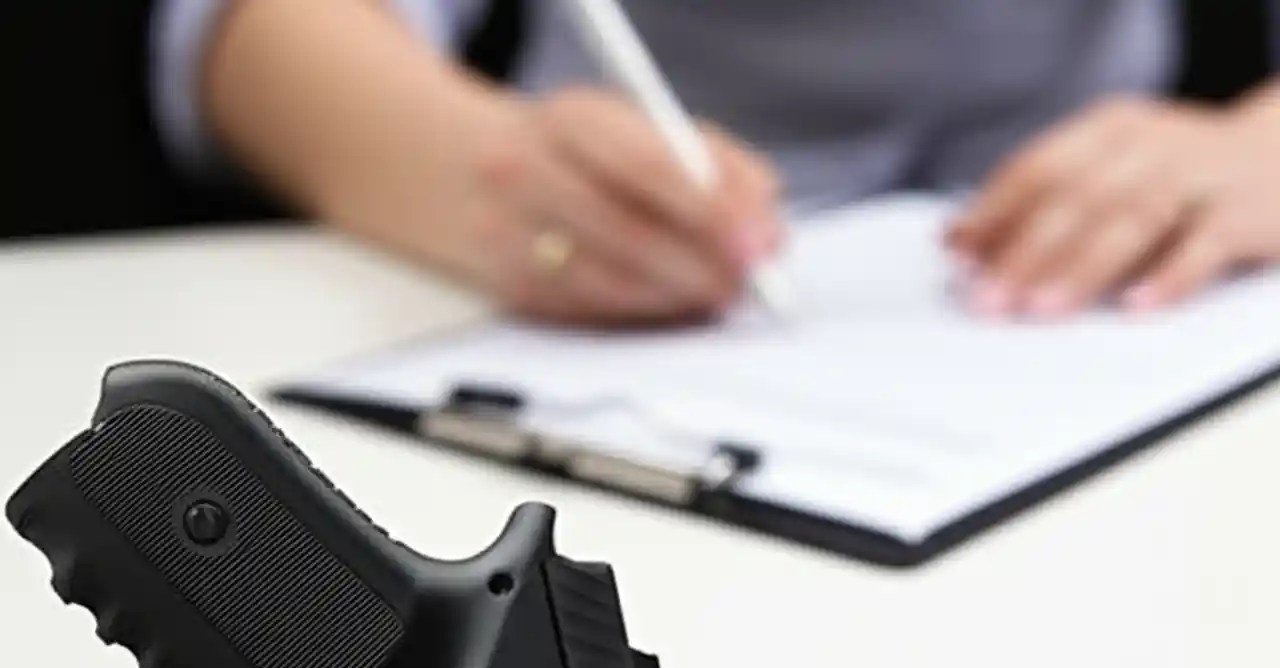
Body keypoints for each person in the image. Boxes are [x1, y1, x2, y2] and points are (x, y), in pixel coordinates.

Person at [155, 0, 1280, 324]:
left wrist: (1258, 147)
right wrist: (484, 172)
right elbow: (252, 31)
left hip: (1120, 303)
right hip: (614, 286)